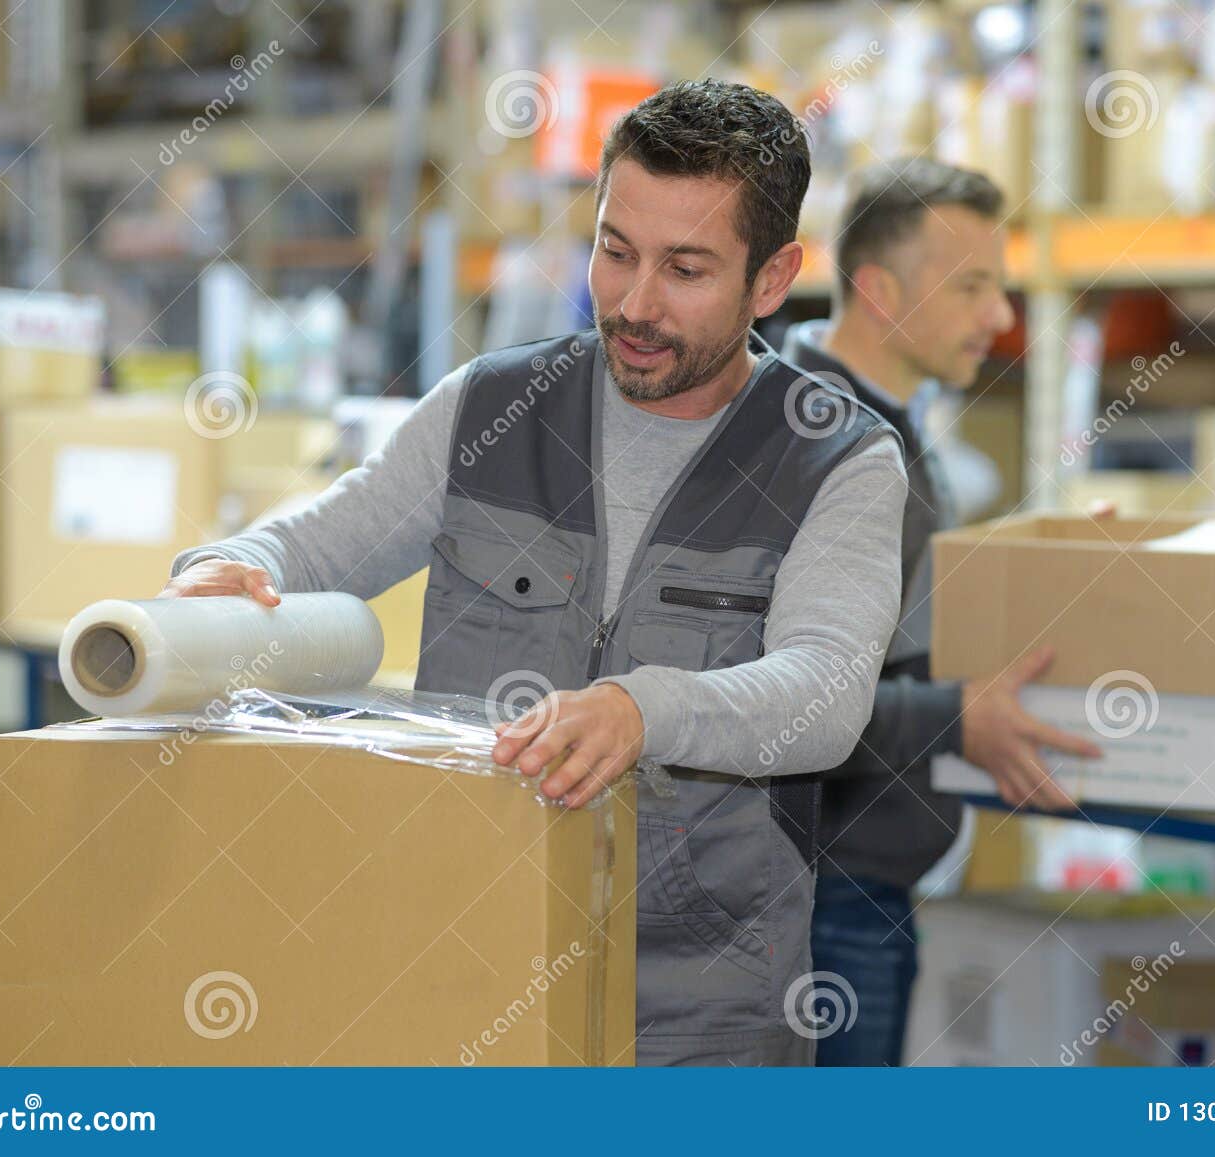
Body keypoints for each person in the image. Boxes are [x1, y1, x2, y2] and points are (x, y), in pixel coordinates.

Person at [160, 81, 908, 1066]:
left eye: (685, 269)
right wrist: (234, 564)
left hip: (700, 1017)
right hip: (468, 971)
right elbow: (320, 542)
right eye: (614, 249)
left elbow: (823, 694)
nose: (634, 304)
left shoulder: (833, 459)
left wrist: (643, 709)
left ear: (772, 278)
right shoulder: (490, 409)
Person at [781, 158, 1102, 1067]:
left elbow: (899, 642)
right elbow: (780, 698)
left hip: (866, 890)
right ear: (880, 292)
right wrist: (958, 719)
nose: (1000, 317)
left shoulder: (884, 427)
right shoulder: (809, 441)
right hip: (820, 902)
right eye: (972, 286)